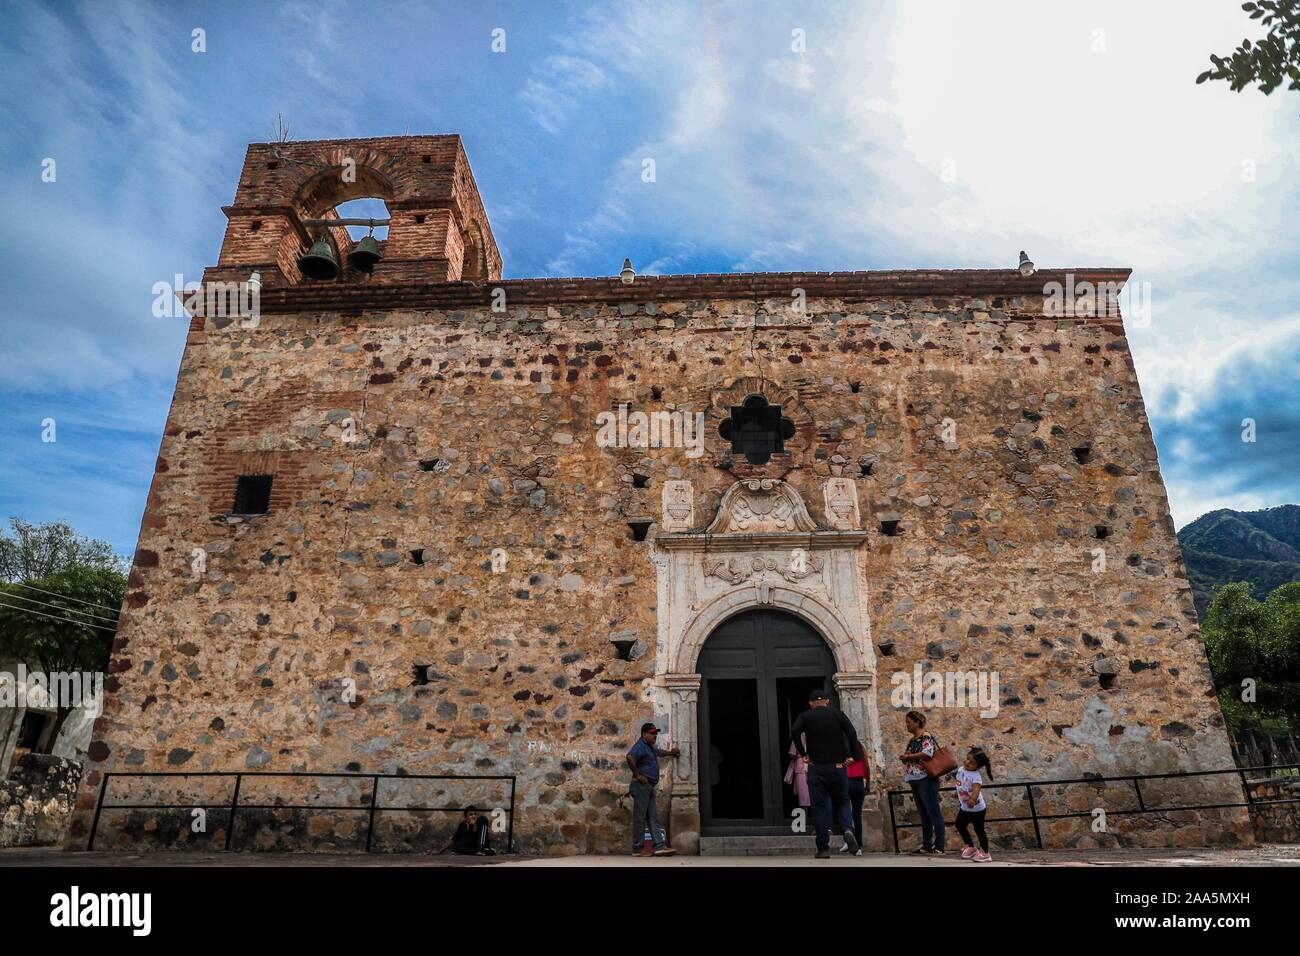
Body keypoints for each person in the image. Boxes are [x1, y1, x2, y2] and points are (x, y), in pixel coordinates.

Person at [789, 689, 862, 859]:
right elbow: (852, 733)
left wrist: (803, 753)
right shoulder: (838, 715)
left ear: (810, 703)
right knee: (843, 801)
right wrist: (854, 756)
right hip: (838, 767)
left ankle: (823, 848)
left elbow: (794, 731)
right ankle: (846, 829)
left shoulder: (806, 716)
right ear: (827, 701)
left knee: (820, 807)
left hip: (817, 768)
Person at [626, 722, 680, 857]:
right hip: (641, 786)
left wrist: (671, 753)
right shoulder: (640, 746)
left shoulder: (649, 747)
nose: (655, 735)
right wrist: (638, 775)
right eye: (652, 733)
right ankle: (637, 849)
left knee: (652, 817)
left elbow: (659, 752)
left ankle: (659, 847)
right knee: (640, 817)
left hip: (648, 787)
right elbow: (629, 757)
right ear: (644, 734)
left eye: (656, 733)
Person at [899, 710, 945, 855]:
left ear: (917, 722)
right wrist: (906, 756)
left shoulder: (926, 736)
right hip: (915, 779)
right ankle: (926, 845)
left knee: (933, 812)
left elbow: (928, 753)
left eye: (909, 722)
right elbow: (909, 754)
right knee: (924, 814)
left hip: (926, 778)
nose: (907, 725)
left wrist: (909, 757)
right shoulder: (912, 740)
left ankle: (939, 846)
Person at [955, 746, 993, 862]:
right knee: (959, 824)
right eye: (967, 759)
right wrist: (958, 794)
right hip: (965, 808)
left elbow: (976, 790)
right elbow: (960, 783)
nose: (967, 762)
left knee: (979, 829)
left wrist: (972, 799)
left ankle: (985, 853)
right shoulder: (961, 769)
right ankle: (970, 846)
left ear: (978, 767)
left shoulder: (976, 776)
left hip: (977, 809)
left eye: (971, 763)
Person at [840, 740, 869, 855]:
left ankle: (847, 842)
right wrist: (868, 784)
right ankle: (859, 846)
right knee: (857, 815)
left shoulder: (841, 748)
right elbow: (866, 766)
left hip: (846, 782)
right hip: (859, 783)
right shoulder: (860, 748)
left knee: (844, 811)